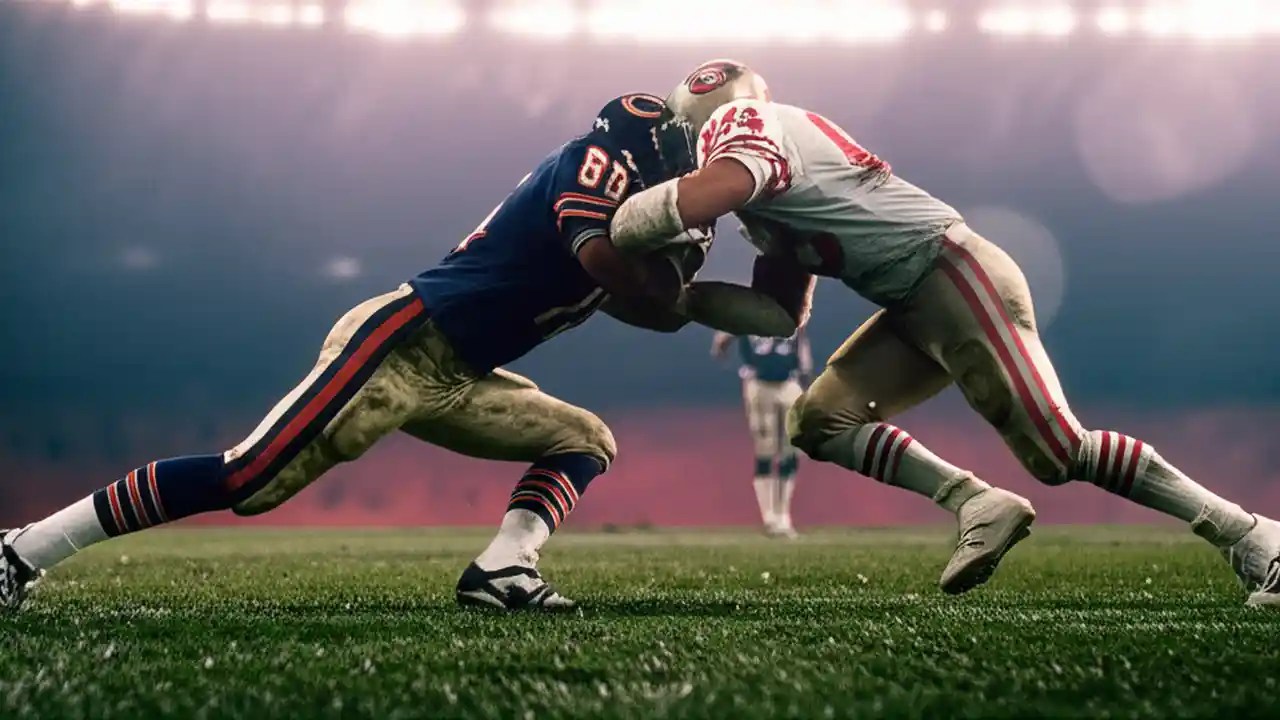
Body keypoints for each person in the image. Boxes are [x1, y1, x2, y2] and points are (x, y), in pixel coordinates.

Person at [1, 93, 711, 613]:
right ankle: (20, 550)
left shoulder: (616, 214)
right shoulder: (596, 162)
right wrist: (672, 266)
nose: (684, 167)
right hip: (401, 344)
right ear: (641, 148)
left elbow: (651, 314)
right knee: (249, 479)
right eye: (677, 152)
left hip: (458, 373)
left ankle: (503, 569)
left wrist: (686, 291)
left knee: (584, 439)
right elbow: (605, 262)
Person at [607, 59, 1280, 605]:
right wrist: (685, 300)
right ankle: (975, 501)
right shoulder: (762, 190)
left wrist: (623, 230)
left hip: (951, 272)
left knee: (1058, 451)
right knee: (821, 421)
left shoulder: (740, 120)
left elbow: (713, 188)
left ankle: (1251, 536)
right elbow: (780, 315)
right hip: (912, 299)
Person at [711, 329, 811, 537]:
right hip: (759, 382)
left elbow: (801, 339)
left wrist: (806, 373)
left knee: (790, 447)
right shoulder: (750, 305)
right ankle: (770, 516)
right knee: (765, 447)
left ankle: (783, 514)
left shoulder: (793, 305)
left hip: (789, 381)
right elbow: (728, 327)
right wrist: (722, 341)